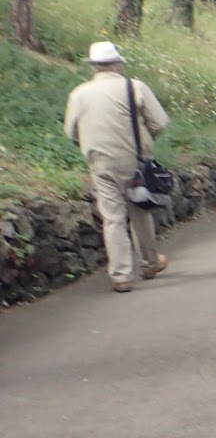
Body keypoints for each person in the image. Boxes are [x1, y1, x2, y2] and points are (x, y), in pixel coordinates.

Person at [63, 41, 171, 294]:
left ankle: (121, 276)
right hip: (134, 160)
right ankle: (150, 263)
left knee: (113, 218)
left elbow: (71, 132)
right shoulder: (135, 88)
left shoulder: (79, 94)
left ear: (94, 67)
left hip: (100, 162)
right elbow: (160, 122)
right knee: (140, 212)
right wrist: (145, 138)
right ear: (118, 64)